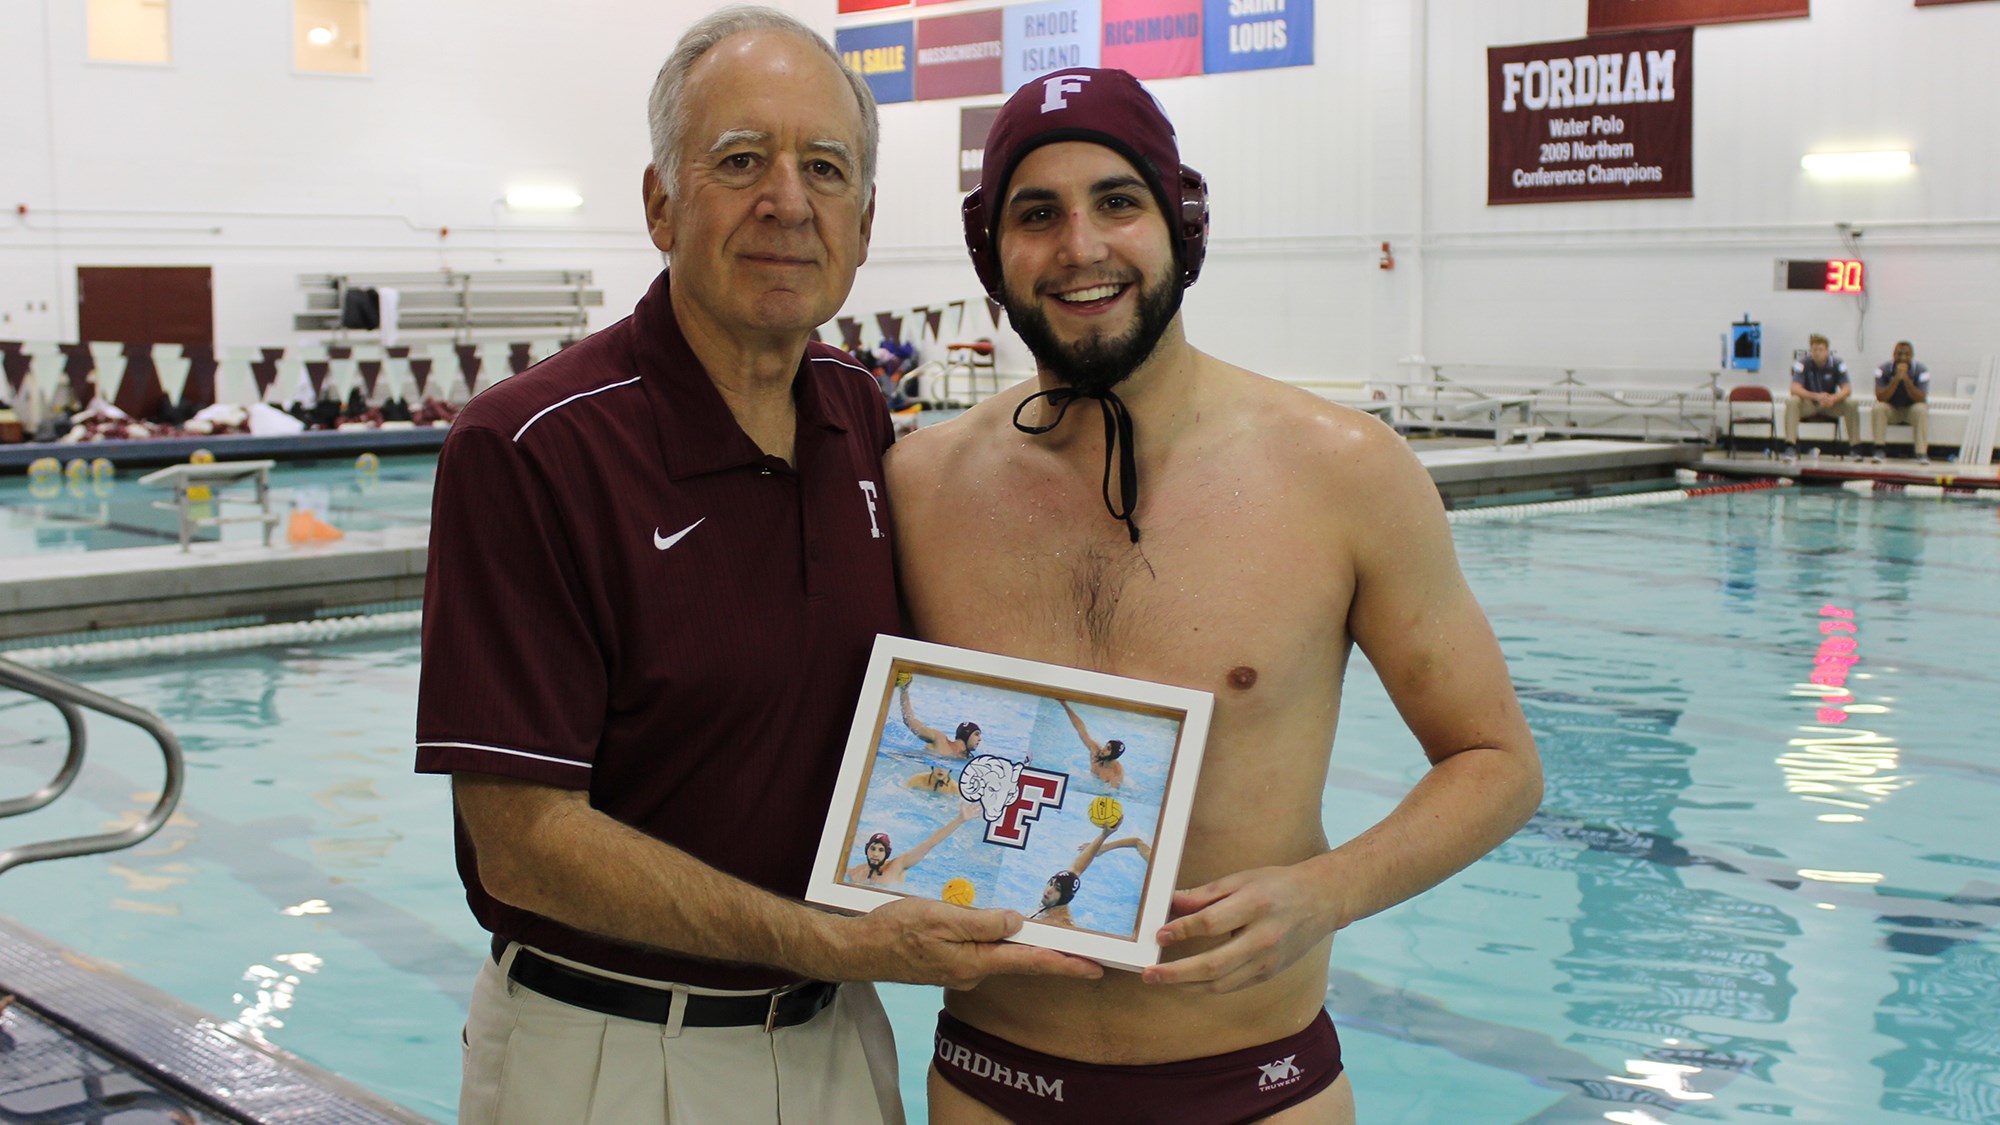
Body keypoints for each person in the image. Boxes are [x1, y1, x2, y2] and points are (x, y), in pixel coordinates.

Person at [413, 12, 1096, 1125]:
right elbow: (524, 847)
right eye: (739, 161)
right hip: (614, 1053)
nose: (786, 201)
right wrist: (837, 941)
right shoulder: (532, 447)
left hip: (834, 1034)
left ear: (863, 224)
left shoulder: (855, 410)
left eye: (824, 168)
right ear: (659, 204)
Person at [889, 68, 1543, 1123]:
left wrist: (1328, 891)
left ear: (1180, 226)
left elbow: (1496, 762)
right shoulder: (920, 486)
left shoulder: (1343, 473)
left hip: (1257, 1086)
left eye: (1117, 202)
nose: (1080, 247)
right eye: (1036, 214)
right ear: (991, 253)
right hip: (993, 1083)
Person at [1032, 810, 1151, 928]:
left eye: (1057, 888)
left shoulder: (1063, 924)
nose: (1049, 890)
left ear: (1065, 896)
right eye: (1051, 883)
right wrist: (1104, 836)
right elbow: (1077, 867)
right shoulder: (1054, 901)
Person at [848, 802, 981, 886]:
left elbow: (930, 843)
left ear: (887, 853)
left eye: (880, 850)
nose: (875, 854)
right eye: (872, 849)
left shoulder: (898, 865)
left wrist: (959, 820)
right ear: (866, 850)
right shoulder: (856, 872)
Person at [1784, 334, 1864, 461]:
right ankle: (1790, 446)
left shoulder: (1838, 363)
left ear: (1827, 351)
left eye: (1820, 349)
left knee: (1851, 403)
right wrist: (1816, 396)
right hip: (1810, 403)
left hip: (1830, 404)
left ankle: (1855, 448)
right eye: (1814, 350)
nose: (1817, 353)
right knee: (1792, 401)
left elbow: (1847, 389)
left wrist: (1833, 398)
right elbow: (1794, 388)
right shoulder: (1802, 363)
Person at [1870, 340, 1931, 464]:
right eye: (1899, 354)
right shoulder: (1882, 369)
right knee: (1878, 408)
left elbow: (1921, 398)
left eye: (1906, 354)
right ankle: (1879, 449)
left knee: (1921, 409)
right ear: (1893, 355)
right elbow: (1880, 397)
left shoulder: (1922, 370)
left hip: (1911, 410)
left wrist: (1906, 379)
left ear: (1912, 356)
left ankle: (1921, 453)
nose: (1902, 358)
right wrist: (1896, 379)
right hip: (1892, 409)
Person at [899, 676, 983, 757]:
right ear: (967, 734)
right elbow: (909, 720)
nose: (980, 739)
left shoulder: (967, 759)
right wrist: (904, 690)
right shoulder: (939, 739)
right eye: (976, 734)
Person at [1060, 699, 1126, 787]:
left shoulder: (1115, 774)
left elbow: (1111, 792)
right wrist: (1065, 705)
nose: (1103, 749)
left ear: (1114, 754)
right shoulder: (1096, 751)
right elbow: (1080, 729)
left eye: (1108, 749)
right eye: (1106, 746)